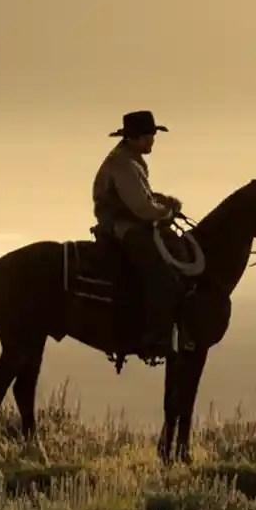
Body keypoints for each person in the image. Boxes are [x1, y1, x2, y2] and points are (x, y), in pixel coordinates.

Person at [91, 110, 184, 358]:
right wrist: (166, 213)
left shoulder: (127, 160)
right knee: (161, 274)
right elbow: (141, 208)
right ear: (134, 138)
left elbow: (142, 197)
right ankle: (155, 337)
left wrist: (162, 200)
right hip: (123, 229)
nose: (152, 140)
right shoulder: (125, 165)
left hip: (124, 224)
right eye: (148, 136)